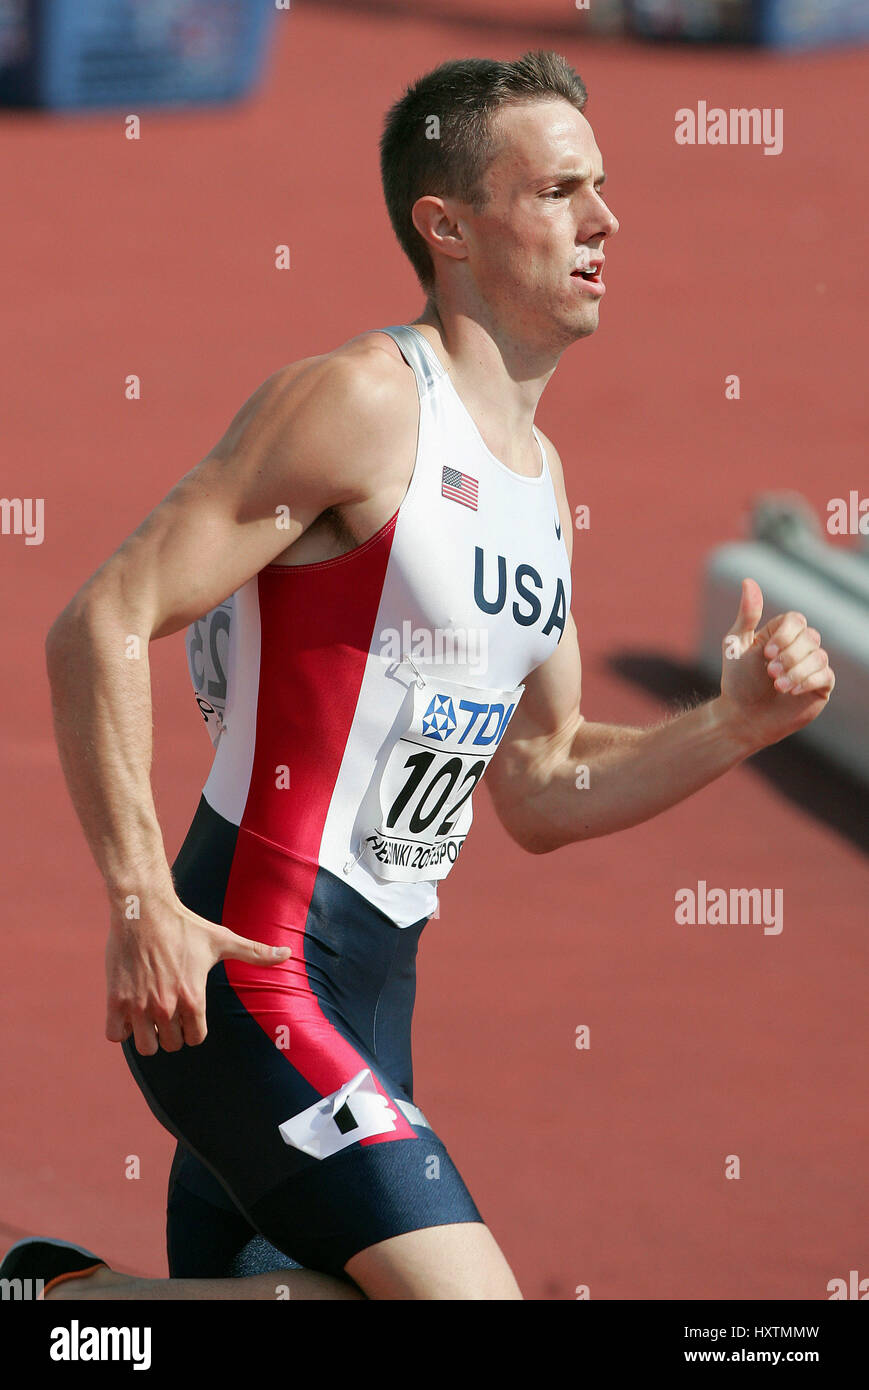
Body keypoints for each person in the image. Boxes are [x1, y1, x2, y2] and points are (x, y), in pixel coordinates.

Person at [12, 51, 835, 1302]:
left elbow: (544, 785)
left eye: (601, 187)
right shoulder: (360, 404)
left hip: (374, 993)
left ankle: (65, 1302)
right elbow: (103, 618)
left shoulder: (541, 482)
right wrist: (137, 898)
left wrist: (733, 723)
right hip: (247, 963)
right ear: (444, 225)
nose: (605, 221)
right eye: (561, 189)